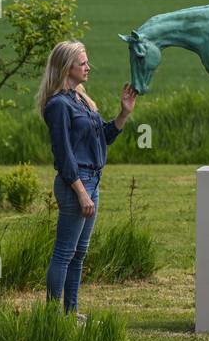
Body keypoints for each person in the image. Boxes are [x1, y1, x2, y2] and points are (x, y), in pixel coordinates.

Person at [36, 40, 137, 319]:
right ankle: (52, 317)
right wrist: (81, 192)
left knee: (79, 253)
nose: (88, 67)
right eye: (83, 62)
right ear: (67, 66)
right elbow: (64, 155)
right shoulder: (58, 105)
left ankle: (71, 313)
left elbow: (102, 137)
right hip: (75, 185)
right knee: (64, 253)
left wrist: (124, 113)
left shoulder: (81, 99)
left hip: (92, 182)